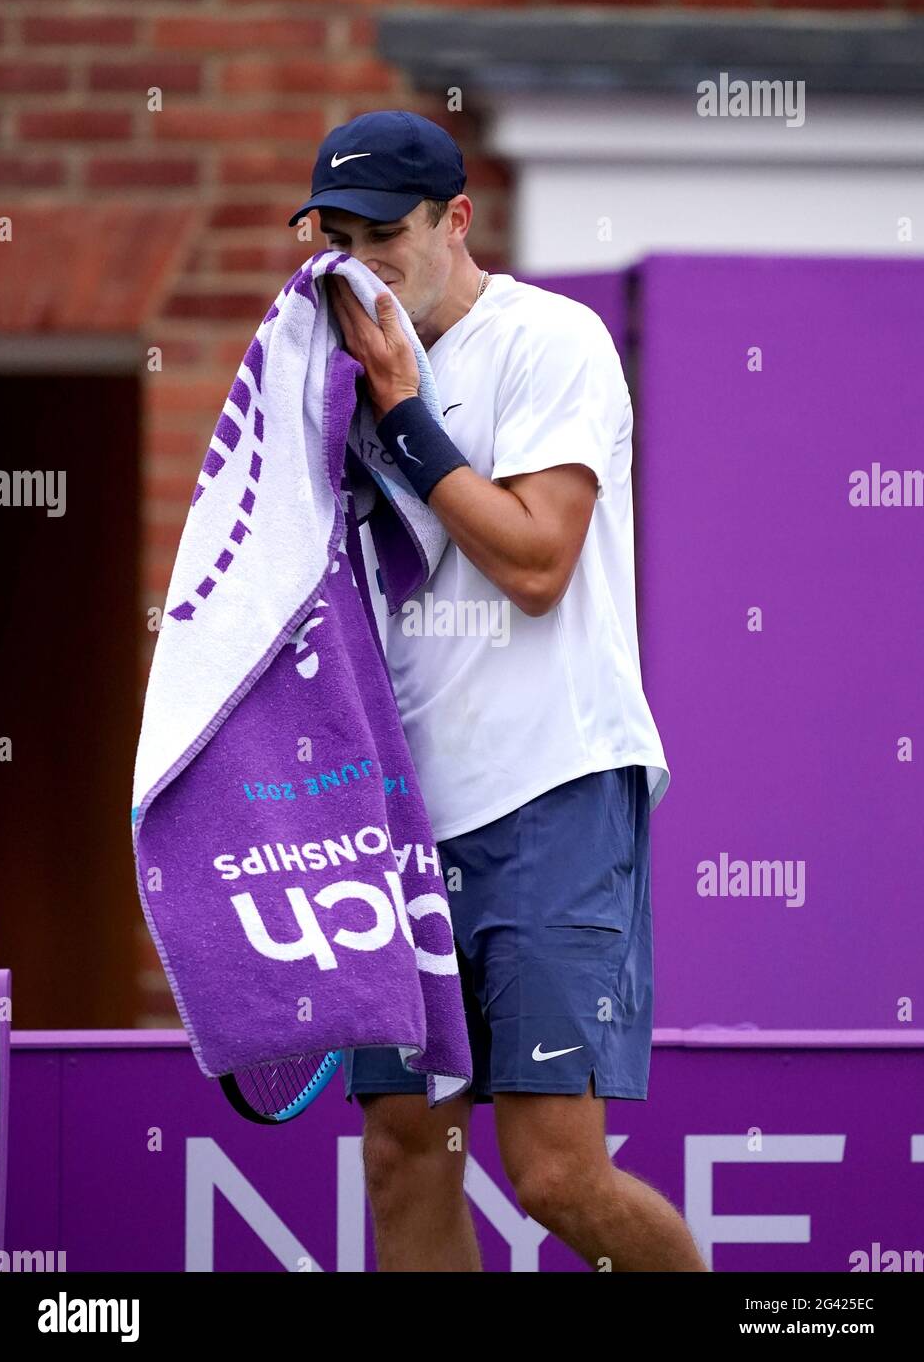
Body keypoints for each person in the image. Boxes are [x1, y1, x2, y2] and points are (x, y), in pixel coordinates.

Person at [287, 109, 705, 1272]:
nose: (361, 264)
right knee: (402, 1150)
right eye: (336, 238)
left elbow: (534, 562)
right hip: (401, 822)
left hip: (552, 790)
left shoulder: (552, 339)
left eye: (387, 235)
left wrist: (405, 420)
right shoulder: (321, 365)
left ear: (455, 221)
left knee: (557, 1171)